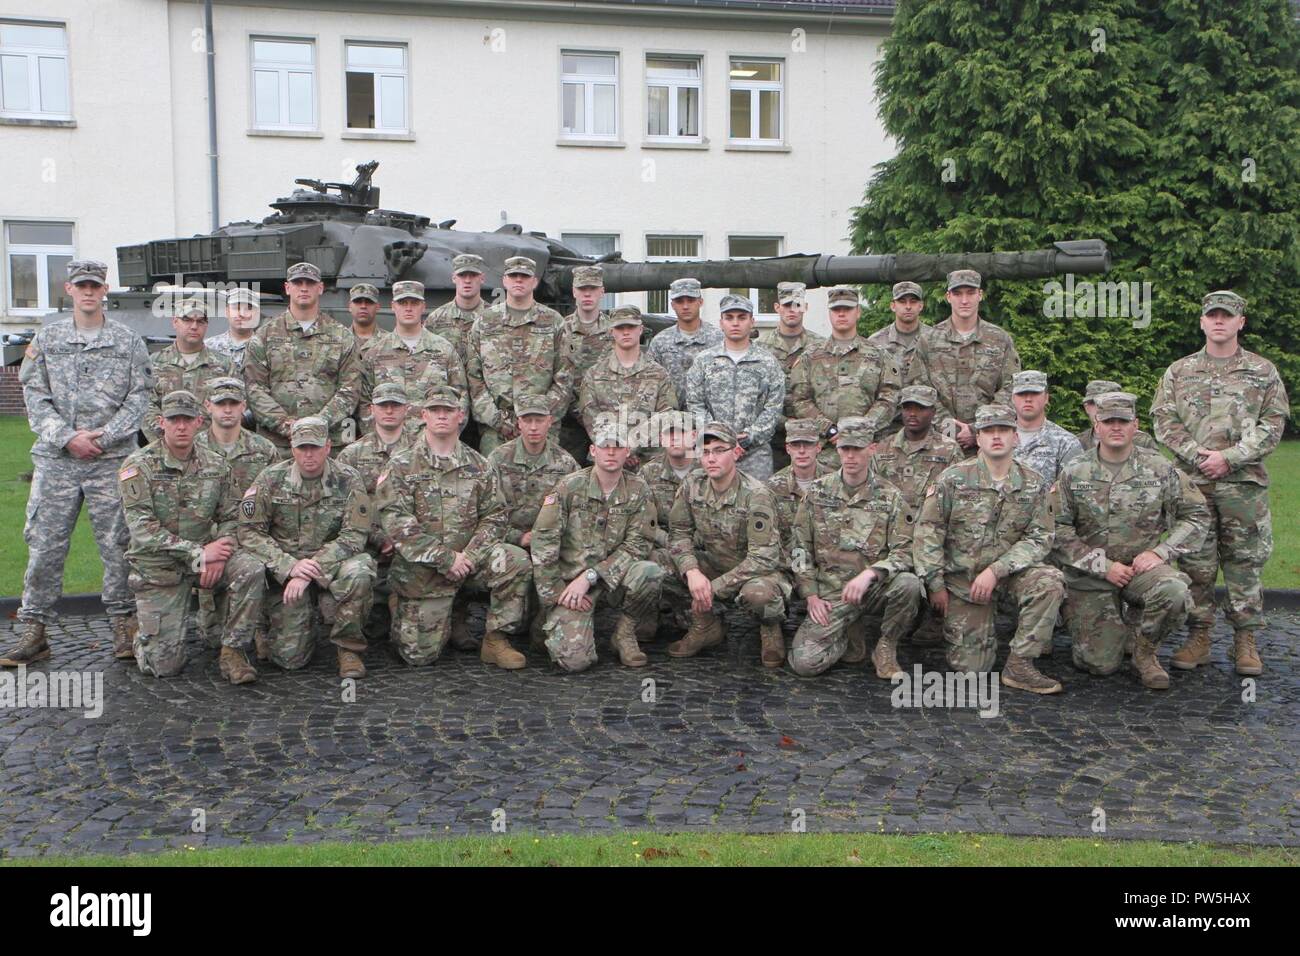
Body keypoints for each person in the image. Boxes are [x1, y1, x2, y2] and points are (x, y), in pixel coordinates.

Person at [2, 260, 152, 669]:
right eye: (82, 285)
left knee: (119, 546)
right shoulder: (48, 340)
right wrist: (68, 437)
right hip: (56, 461)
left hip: (111, 459)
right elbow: (34, 395)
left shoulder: (127, 341)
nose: (89, 292)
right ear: (69, 289)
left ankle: (124, 625)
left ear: (105, 290)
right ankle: (34, 631)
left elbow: (140, 397)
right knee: (45, 547)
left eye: (96, 286)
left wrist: (102, 436)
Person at [1152, 289, 1290, 676]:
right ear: (1201, 321)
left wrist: (1228, 458)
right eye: (1212, 315)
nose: (1218, 321)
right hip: (1193, 484)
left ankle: (1245, 640)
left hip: (1242, 484)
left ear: (1240, 323)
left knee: (1244, 563)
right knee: (1196, 564)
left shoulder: (1263, 372)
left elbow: (1273, 425)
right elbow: (1164, 420)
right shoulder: (1179, 371)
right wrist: (1199, 456)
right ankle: (1200, 637)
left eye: (1226, 316)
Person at [1053, 392, 1209, 689]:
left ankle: (1145, 652)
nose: (1116, 427)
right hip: (1092, 575)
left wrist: (1161, 552)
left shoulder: (1160, 469)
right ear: (1096, 426)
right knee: (1099, 665)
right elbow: (1057, 532)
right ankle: (1121, 627)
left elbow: (1196, 516)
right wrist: (1102, 566)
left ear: (1135, 425)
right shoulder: (1074, 471)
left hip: (1142, 570)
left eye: (1122, 422)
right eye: (1108, 421)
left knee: (1175, 591)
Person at [374, 386, 533, 669]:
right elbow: (398, 524)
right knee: (419, 656)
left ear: (461, 416)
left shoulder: (479, 465)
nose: (442, 416)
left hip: (470, 562)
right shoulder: (401, 465)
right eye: (435, 410)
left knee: (514, 561)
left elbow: (495, 516)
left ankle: (495, 638)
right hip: (424, 567)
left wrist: (468, 557)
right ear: (423, 415)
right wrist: (446, 559)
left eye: (448, 410)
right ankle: (409, 606)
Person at [913, 404, 1065, 694]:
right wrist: (934, 584)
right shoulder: (953, 479)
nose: (997, 437)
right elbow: (928, 532)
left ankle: (1020, 664)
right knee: (971, 670)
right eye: (988, 431)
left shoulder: (1033, 482)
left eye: (1004, 430)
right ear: (978, 438)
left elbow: (1040, 537)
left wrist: (996, 571)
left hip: (1010, 577)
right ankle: (980, 632)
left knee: (1049, 582)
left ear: (1015, 437)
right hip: (963, 582)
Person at [119, 390, 265, 683]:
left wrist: (219, 552)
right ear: (162, 423)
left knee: (251, 568)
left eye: (187, 420)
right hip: (160, 565)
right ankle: (143, 637)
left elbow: (230, 516)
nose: (181, 427)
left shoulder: (216, 465)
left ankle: (233, 650)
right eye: (174, 420)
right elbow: (142, 529)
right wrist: (200, 553)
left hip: (205, 557)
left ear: (200, 421)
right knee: (164, 666)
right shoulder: (138, 466)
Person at [237, 417, 376, 678]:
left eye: (314, 447)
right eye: (302, 447)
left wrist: (312, 569)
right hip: (286, 572)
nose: (308, 454)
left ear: (327, 446)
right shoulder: (271, 479)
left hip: (330, 566)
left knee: (361, 569)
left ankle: (349, 649)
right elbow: (250, 532)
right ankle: (266, 626)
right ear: (292, 448)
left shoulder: (348, 479)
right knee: (290, 660)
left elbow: (355, 535)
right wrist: (290, 567)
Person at [787, 416, 921, 678]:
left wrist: (871, 574)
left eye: (857, 449)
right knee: (804, 664)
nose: (850, 456)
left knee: (909, 584)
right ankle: (849, 633)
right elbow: (799, 547)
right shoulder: (817, 492)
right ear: (837, 450)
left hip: (872, 589)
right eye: (845, 449)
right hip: (831, 593)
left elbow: (904, 550)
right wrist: (811, 595)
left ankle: (885, 647)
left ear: (871, 449)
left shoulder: (889, 496)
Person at [530, 422, 664, 671]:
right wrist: (555, 593)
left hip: (612, 578)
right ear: (593, 451)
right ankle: (547, 617)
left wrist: (592, 576)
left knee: (650, 571)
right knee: (575, 661)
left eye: (618, 447)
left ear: (628, 453)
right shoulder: (569, 487)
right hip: (571, 584)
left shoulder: (639, 490)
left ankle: (624, 634)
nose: (611, 453)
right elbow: (544, 541)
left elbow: (639, 543)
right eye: (605, 446)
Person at [667, 422, 790, 667]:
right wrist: (692, 572)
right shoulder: (693, 484)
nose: (711, 458)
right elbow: (679, 532)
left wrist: (712, 588)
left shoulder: (756, 494)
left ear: (735, 453)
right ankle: (705, 625)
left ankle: (770, 628)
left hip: (757, 572)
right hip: (715, 562)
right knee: (660, 566)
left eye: (720, 450)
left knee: (760, 595)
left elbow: (763, 558)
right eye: (705, 451)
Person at [865, 384, 961, 646]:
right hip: (892, 531)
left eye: (920, 408)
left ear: (932, 412)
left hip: (934, 531)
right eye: (908, 407)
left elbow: (957, 501)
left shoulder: (949, 450)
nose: (913, 414)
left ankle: (934, 614)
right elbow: (870, 496)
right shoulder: (882, 450)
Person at [194, 376, 281, 658]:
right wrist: (212, 550)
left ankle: (257, 627)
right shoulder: (192, 450)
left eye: (234, 403)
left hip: (252, 539)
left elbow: (276, 503)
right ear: (208, 407)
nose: (228, 410)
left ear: (243, 406)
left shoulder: (264, 450)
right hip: (202, 546)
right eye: (221, 404)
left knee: (253, 568)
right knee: (209, 639)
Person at [243, 261, 363, 451]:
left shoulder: (341, 336)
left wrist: (318, 424)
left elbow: (350, 388)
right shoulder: (265, 336)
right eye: (298, 283)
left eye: (310, 283)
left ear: (321, 288)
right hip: (278, 444)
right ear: (287, 288)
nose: (304, 288)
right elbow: (254, 389)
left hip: (327, 443)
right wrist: (285, 425)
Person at [464, 256, 571, 453]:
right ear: (505, 280)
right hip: (496, 431)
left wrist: (537, 419)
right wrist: (497, 420)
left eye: (524, 276)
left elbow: (564, 378)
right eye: (514, 276)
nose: (519, 280)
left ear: (535, 282)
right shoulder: (485, 322)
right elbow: (474, 379)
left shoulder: (553, 322)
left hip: (541, 431)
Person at [337, 382, 417, 646]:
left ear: (407, 409)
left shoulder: (421, 451)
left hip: (413, 545)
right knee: (373, 628)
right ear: (372, 410)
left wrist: (402, 537)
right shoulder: (352, 455)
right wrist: (379, 537)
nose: (390, 411)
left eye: (396, 405)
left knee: (416, 644)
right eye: (383, 406)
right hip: (367, 545)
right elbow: (343, 507)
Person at [910, 270, 1020, 456]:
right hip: (937, 445)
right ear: (948, 297)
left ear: (980, 295)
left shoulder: (999, 339)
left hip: (987, 444)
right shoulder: (928, 340)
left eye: (970, 293)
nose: (964, 300)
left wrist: (977, 427)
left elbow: (1011, 388)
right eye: (958, 293)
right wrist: (947, 426)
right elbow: (918, 388)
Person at [788, 285, 900, 467]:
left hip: (867, 452)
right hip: (824, 452)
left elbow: (889, 397)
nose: (841, 314)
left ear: (858, 312)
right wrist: (829, 429)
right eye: (836, 309)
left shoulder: (879, 355)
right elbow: (801, 400)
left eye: (847, 309)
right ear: (829, 313)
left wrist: (860, 429)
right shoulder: (810, 357)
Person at [684, 294, 785, 480]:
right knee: (709, 503)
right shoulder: (704, 361)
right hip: (712, 451)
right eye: (729, 318)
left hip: (754, 454)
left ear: (752, 321)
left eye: (742, 317)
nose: (735, 323)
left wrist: (749, 437)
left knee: (757, 504)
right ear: (721, 322)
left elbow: (774, 408)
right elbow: (695, 403)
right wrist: (719, 438)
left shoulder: (768, 362)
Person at [359, 279, 468, 434]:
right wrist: (380, 441)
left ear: (423, 307)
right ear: (393, 306)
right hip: (390, 447)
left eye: (414, 303)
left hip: (434, 444)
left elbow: (461, 397)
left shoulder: (444, 350)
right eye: (403, 303)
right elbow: (365, 405)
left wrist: (447, 437)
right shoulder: (374, 354)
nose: (408, 308)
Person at [577, 305, 678, 466]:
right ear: (611, 331)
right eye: (620, 327)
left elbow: (666, 414)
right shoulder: (594, 375)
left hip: (648, 460)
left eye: (631, 327)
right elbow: (590, 415)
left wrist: (632, 446)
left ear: (641, 329)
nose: (625, 332)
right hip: (607, 459)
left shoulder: (659, 374)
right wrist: (617, 448)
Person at [142, 296, 234, 442]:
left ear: (206, 325)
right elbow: (145, 405)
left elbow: (231, 408)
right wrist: (165, 438)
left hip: (213, 450)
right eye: (187, 319)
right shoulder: (155, 363)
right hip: (166, 446)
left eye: (200, 321)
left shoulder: (224, 365)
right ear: (175, 322)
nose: (194, 326)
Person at [866, 281, 935, 437]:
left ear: (921, 306)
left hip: (927, 426)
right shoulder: (876, 343)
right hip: (887, 426)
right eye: (902, 301)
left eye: (913, 301)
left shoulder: (935, 339)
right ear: (893, 306)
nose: (908, 306)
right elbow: (870, 388)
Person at [646, 277, 723, 402]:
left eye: (691, 300)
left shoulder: (718, 339)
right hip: (671, 416)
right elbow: (650, 381)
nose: (685, 306)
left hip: (709, 416)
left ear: (700, 302)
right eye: (680, 301)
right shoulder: (660, 341)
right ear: (673, 305)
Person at [1010, 370, 1082, 485]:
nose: (1028, 399)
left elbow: (1075, 490)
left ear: (1046, 398)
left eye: (1034, 393)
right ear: (1013, 398)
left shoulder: (1065, 442)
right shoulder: (998, 438)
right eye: (1022, 394)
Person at [426, 253, 489, 362]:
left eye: (473, 275)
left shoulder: (494, 317)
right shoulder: (435, 319)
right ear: (454, 278)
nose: (467, 280)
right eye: (462, 275)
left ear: (482, 278)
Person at [1076, 379, 1159, 453]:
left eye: (1108, 403)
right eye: (1094, 403)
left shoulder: (1142, 440)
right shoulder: (1078, 442)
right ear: (1086, 408)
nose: (1100, 408)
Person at [207, 287, 261, 369]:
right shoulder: (209, 347)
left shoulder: (267, 349)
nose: (241, 314)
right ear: (227, 311)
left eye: (248, 308)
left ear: (257, 313)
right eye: (236, 308)